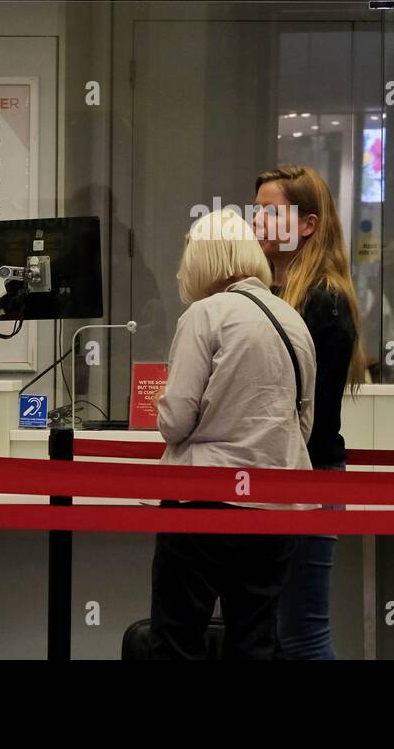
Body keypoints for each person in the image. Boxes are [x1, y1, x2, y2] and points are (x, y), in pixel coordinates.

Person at [149, 209, 316, 660]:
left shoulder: (204, 315)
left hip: (202, 500)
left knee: (178, 637)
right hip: (276, 503)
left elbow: (176, 419)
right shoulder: (293, 320)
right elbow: (303, 423)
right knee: (256, 639)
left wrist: (160, 406)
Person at [254, 165, 367, 659]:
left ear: (308, 224)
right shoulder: (267, 293)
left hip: (308, 476)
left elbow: (310, 417)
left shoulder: (323, 301)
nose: (257, 222)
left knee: (302, 631)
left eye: (270, 212)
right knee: (275, 632)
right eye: (254, 211)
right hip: (276, 476)